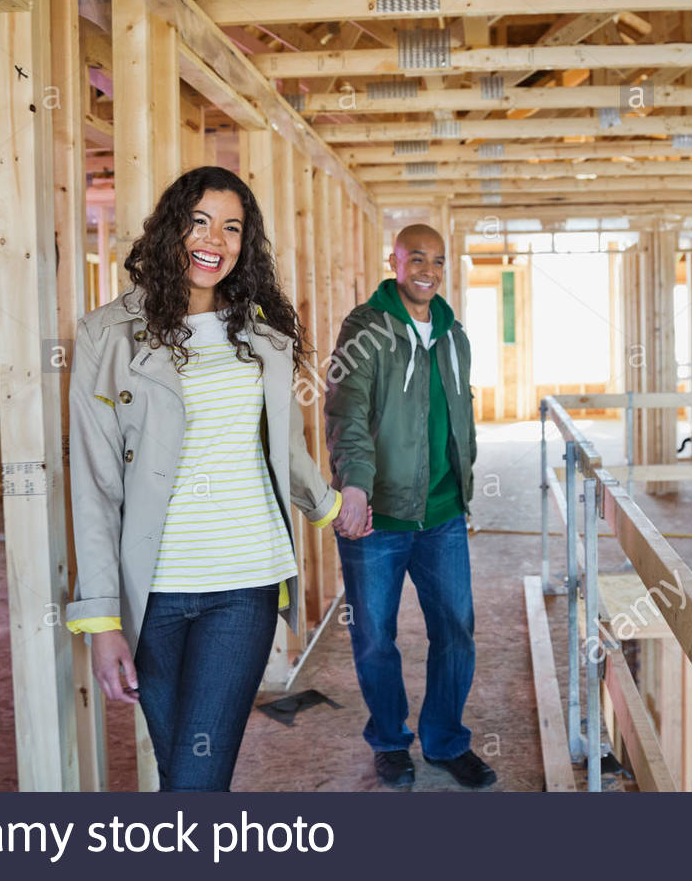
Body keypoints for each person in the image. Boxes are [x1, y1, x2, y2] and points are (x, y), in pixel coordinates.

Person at [65, 165, 368, 791]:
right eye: (199, 221)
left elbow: (282, 449)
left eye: (231, 227)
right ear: (171, 229)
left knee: (197, 781)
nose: (214, 239)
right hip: (152, 593)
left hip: (245, 581)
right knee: (185, 777)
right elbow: (95, 486)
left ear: (244, 243)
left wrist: (327, 504)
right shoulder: (107, 334)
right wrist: (100, 621)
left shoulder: (262, 337)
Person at [324, 223, 494, 790]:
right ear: (394, 261)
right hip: (379, 516)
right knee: (375, 636)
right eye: (416, 258)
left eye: (438, 261)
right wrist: (354, 485)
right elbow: (346, 412)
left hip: (442, 512)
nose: (428, 270)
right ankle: (391, 742)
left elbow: (460, 418)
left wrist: (465, 485)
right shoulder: (366, 328)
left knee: (456, 631)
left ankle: (445, 740)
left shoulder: (454, 335)